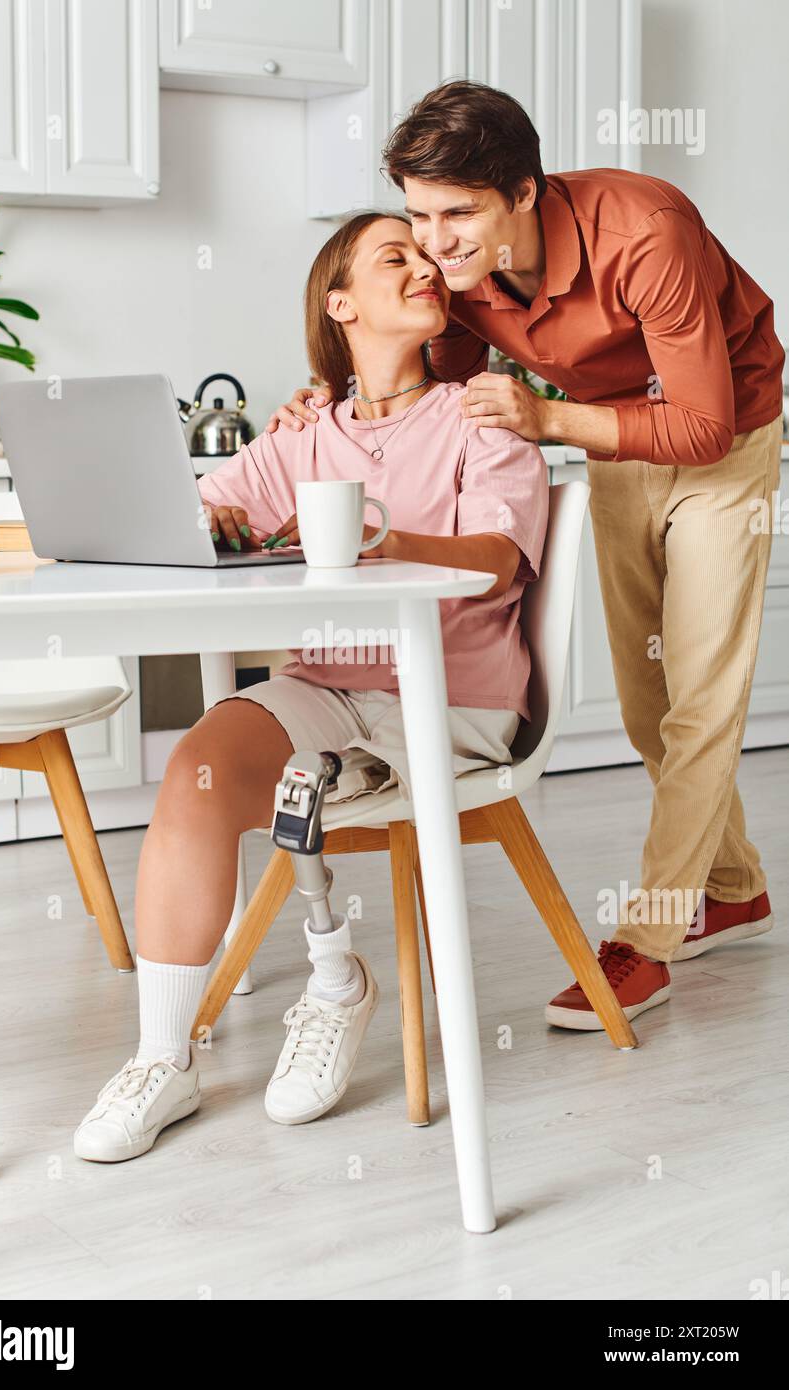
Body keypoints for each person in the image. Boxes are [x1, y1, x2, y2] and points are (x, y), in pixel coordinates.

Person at [268, 80, 785, 1033]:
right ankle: (736, 889)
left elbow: (703, 424)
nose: (435, 240)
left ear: (525, 192)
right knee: (649, 699)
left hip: (723, 441)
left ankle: (651, 936)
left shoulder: (646, 232)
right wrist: (322, 408)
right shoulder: (455, 281)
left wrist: (545, 416)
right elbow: (418, 398)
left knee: (702, 700)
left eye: (458, 212)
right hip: (615, 442)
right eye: (419, 215)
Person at [73, 210, 547, 1161]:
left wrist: (381, 537)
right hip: (324, 683)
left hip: (449, 698)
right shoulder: (303, 436)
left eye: (428, 256)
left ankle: (334, 983)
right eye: (395, 257)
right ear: (341, 305)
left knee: (310, 783)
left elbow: (498, 560)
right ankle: (164, 1058)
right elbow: (193, 516)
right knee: (197, 771)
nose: (425, 265)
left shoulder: (479, 412)